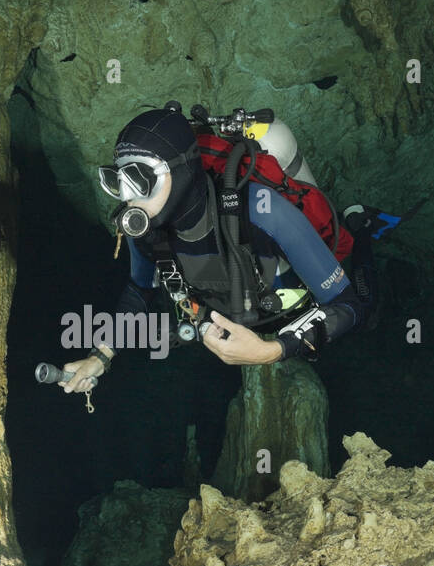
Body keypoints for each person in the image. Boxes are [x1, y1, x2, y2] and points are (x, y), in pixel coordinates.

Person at [60, 104, 395, 396]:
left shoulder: (261, 210)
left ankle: (358, 227)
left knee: (368, 316)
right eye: (118, 180)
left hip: (297, 311)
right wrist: (99, 356)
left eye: (141, 179)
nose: (129, 198)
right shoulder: (145, 229)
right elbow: (139, 292)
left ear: (180, 170)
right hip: (235, 315)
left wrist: (272, 351)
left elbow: (347, 305)